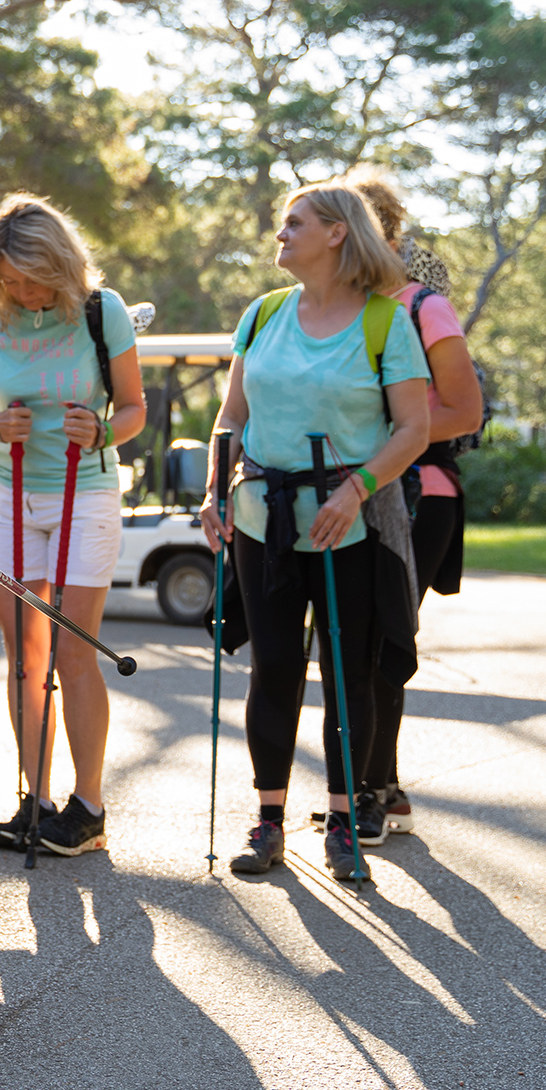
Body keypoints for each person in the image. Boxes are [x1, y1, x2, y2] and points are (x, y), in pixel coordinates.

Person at [198, 181, 429, 882]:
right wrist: (213, 491)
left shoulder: (387, 323)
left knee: (348, 674)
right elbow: (231, 418)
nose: (281, 233)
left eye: (294, 223)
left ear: (337, 232)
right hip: (260, 517)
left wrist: (357, 489)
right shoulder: (264, 313)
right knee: (272, 667)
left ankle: (342, 824)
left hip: (345, 525)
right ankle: (268, 822)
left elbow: (414, 429)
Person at [0, 194, 145, 858]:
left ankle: (88, 808)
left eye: (33, 279)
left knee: (74, 652)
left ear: (61, 266)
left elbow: (134, 409)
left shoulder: (102, 312)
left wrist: (103, 430)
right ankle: (36, 801)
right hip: (6, 495)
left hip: (85, 492)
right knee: (25, 657)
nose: (22, 292)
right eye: (9, 280)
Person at [345, 169, 484, 836]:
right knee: (353, 642)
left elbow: (464, 411)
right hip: (348, 493)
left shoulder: (422, 306)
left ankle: (371, 792)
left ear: (384, 236)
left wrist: (390, 438)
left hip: (419, 494)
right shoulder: (334, 309)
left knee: (381, 639)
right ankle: (384, 788)